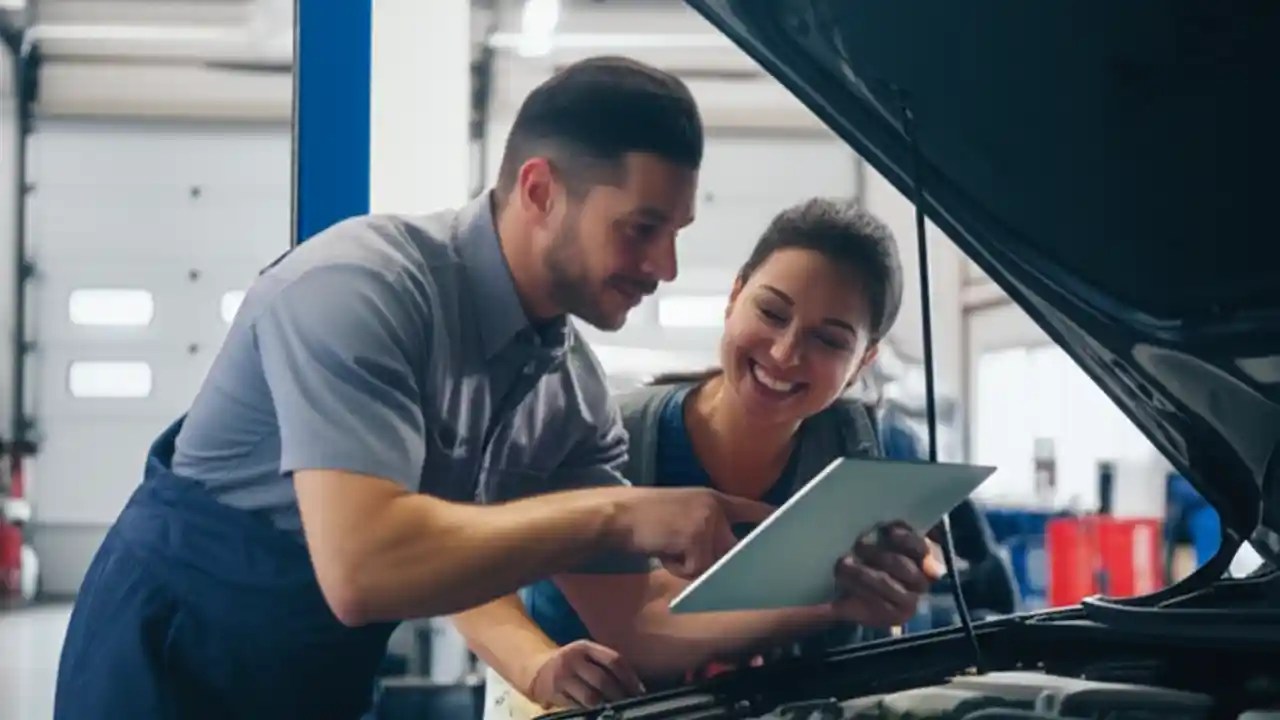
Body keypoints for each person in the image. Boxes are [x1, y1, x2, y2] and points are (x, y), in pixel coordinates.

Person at [51, 57, 933, 720]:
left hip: (320, 671)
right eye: (642, 228)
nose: (665, 266)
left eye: (677, 233)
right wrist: (620, 514)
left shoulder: (572, 397)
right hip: (169, 656)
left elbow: (641, 623)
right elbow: (363, 566)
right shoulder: (359, 288)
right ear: (541, 190)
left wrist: (830, 600)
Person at [454, 198, 945, 716]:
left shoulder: (870, 456)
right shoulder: (603, 435)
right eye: (772, 312)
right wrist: (534, 662)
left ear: (864, 361)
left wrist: (898, 594)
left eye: (829, 339)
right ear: (734, 297)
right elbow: (460, 558)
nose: (784, 353)